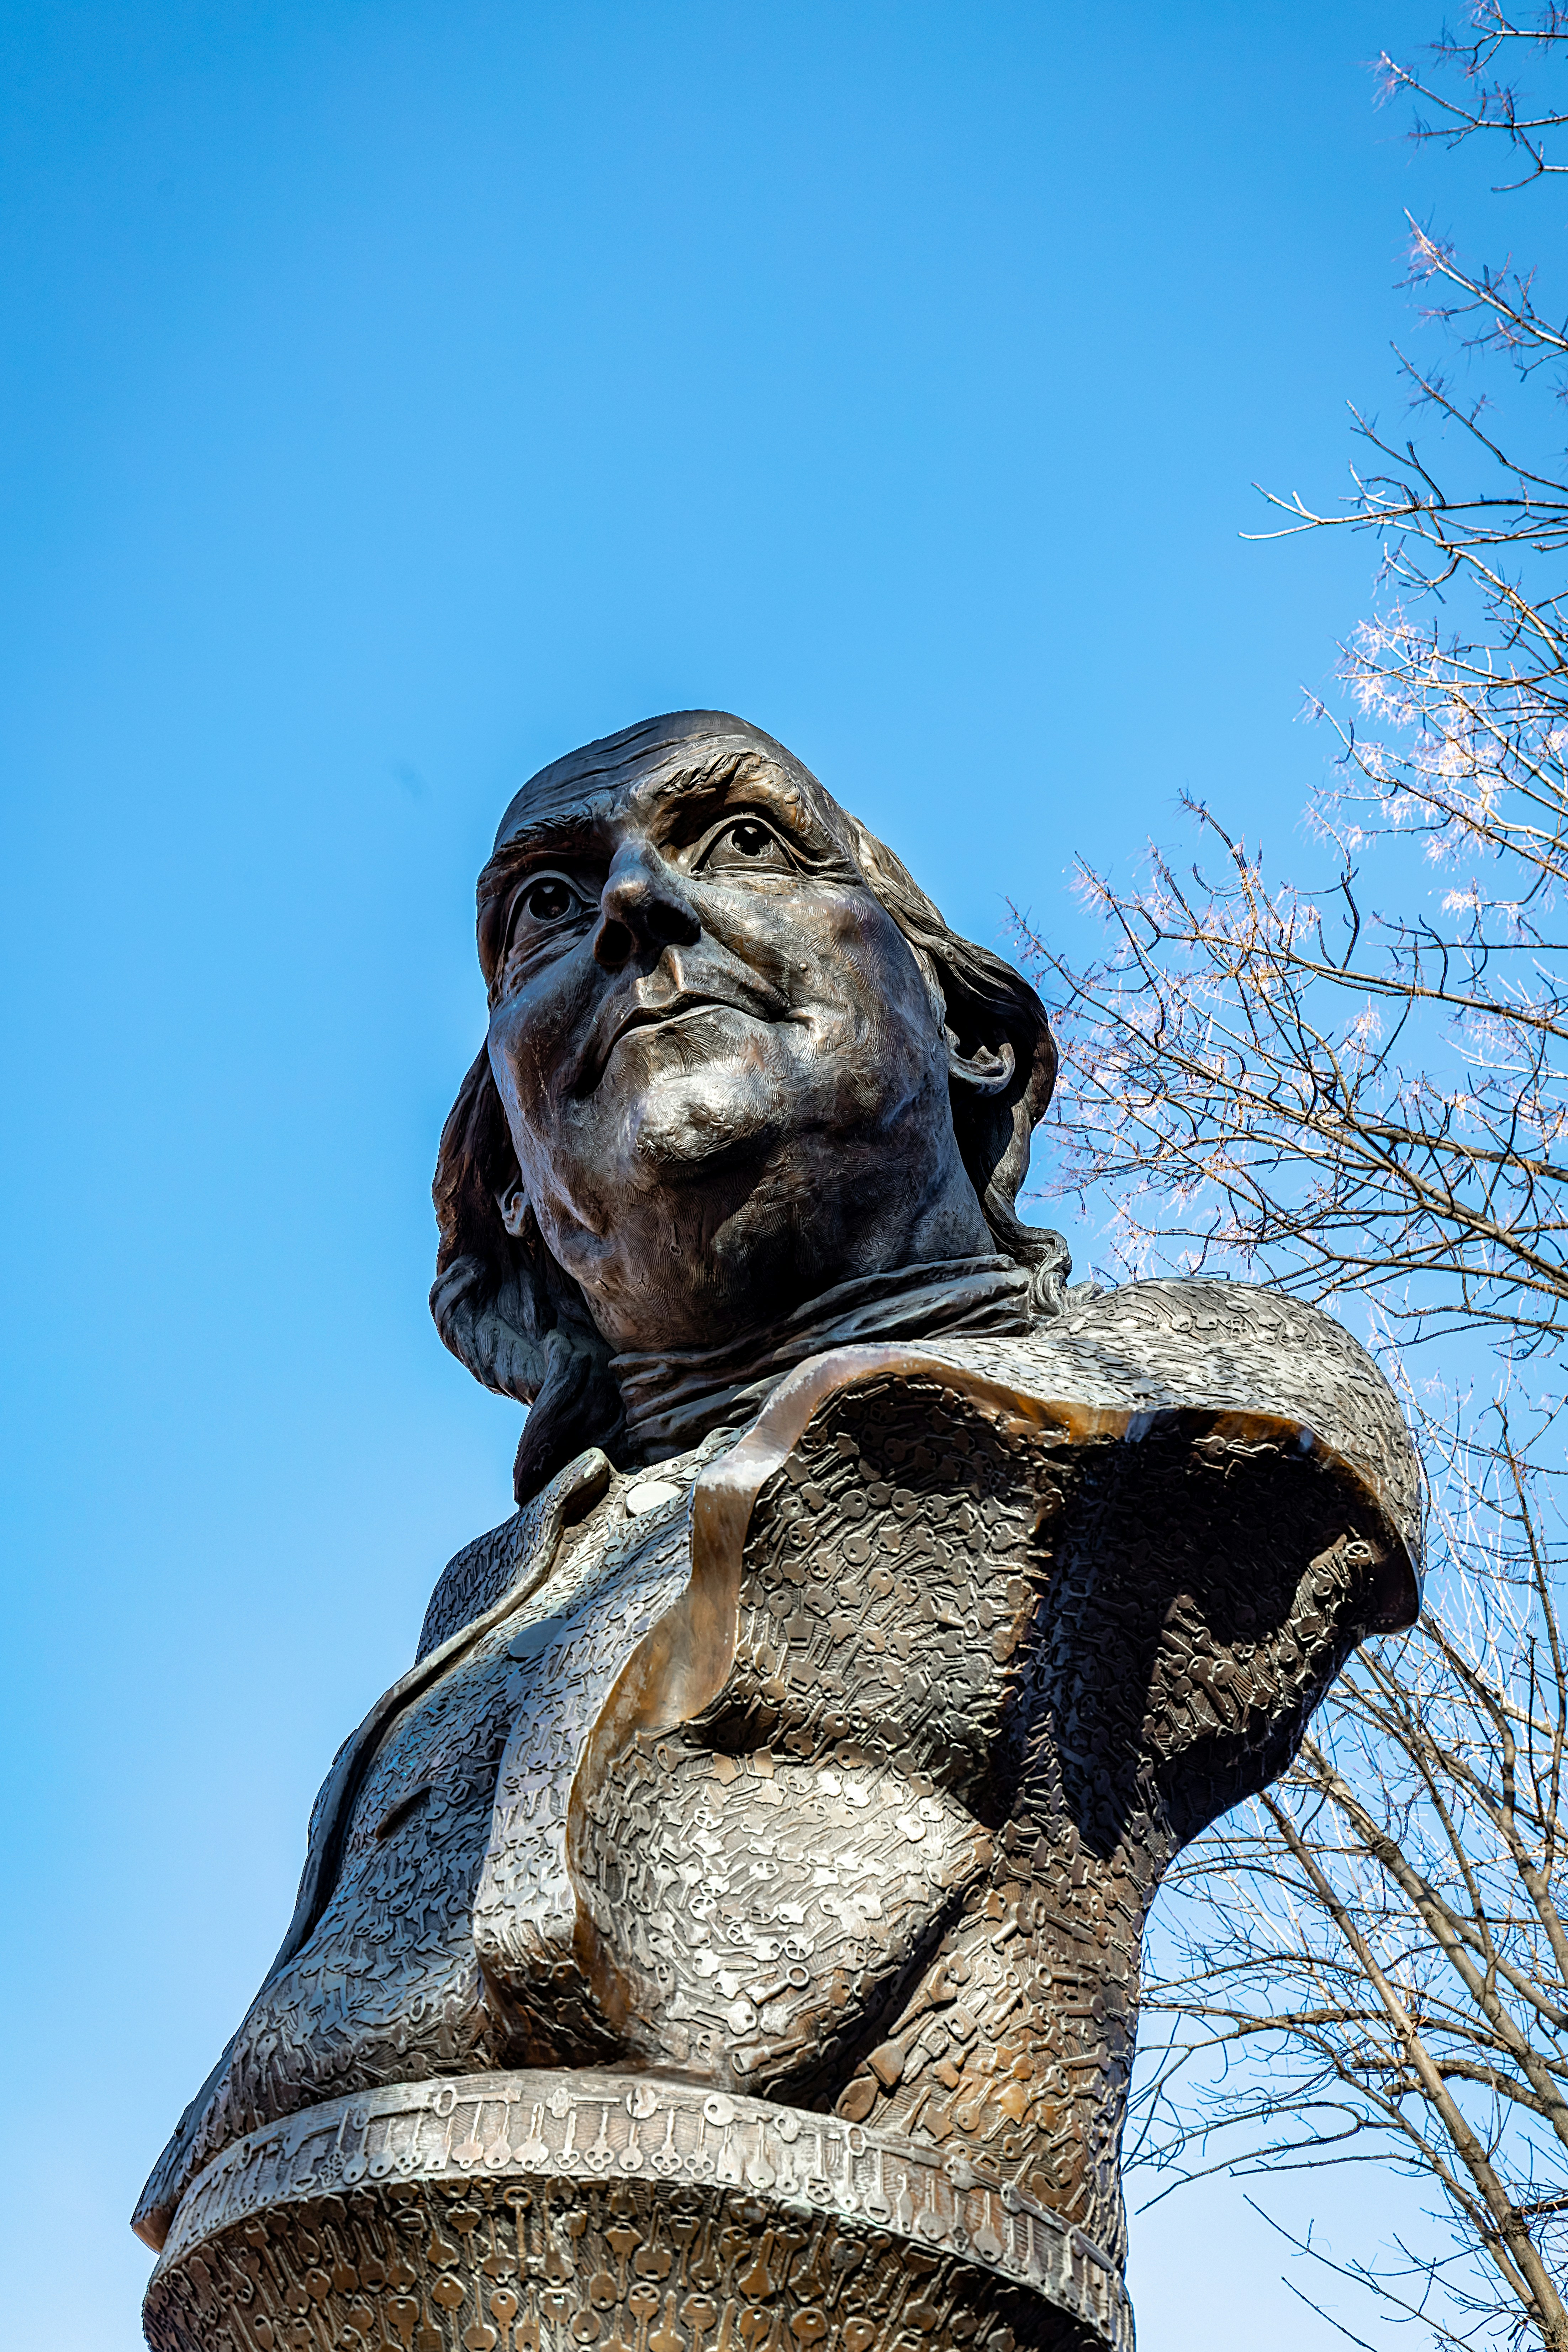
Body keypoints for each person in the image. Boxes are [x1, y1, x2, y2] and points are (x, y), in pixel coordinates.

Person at [135, 712, 1419, 2343]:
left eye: (745, 841)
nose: (632, 909)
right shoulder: (483, 1600)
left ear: (970, 1040)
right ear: (514, 1185)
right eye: (540, 906)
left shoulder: (1205, 1397)